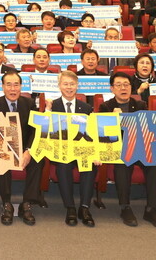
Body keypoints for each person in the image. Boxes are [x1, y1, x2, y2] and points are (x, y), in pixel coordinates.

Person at [99, 72, 156, 228]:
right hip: (118, 148)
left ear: (131, 87)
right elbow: (103, 135)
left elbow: (146, 130)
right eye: (119, 85)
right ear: (112, 89)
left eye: (126, 85)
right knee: (123, 163)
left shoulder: (141, 105)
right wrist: (112, 120)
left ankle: (152, 209)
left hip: (139, 147)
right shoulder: (105, 107)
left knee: (154, 162)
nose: (123, 88)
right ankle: (125, 207)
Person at [0, 71, 41, 225]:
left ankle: (27, 203)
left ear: (21, 86)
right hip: (3, 147)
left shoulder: (29, 104)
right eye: (8, 85)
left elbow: (35, 130)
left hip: (24, 148)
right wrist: (4, 151)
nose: (12, 89)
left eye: (16, 85)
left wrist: (28, 151)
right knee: (2, 158)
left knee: (38, 158)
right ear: (3, 87)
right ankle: (6, 203)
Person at [47, 70, 97, 226]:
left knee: (89, 164)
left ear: (77, 86)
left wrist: (95, 153)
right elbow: (44, 130)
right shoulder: (53, 105)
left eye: (72, 84)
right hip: (60, 150)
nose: (69, 88)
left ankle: (84, 207)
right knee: (63, 166)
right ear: (59, 86)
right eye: (65, 84)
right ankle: (70, 207)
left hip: (82, 149)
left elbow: (93, 133)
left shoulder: (86, 107)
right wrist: (47, 112)